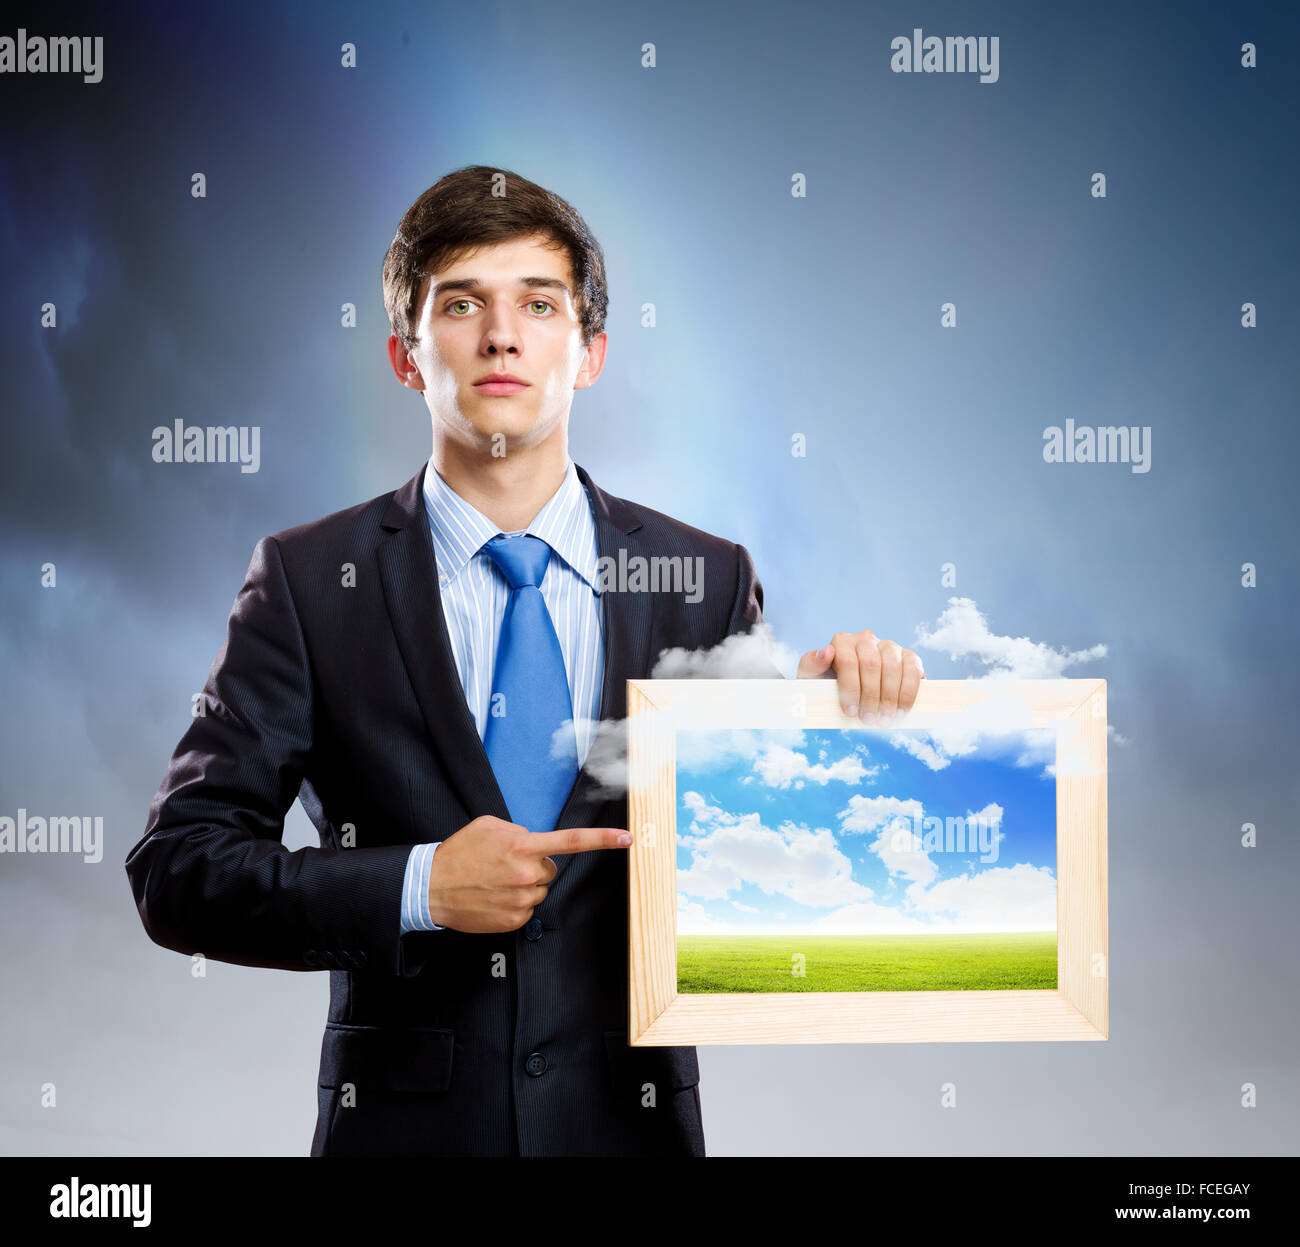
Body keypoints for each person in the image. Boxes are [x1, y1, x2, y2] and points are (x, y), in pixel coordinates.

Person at [125, 166, 925, 1156]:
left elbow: (756, 874)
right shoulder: (305, 579)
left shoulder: (703, 580)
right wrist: (417, 885)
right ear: (405, 356)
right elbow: (178, 867)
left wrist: (835, 722)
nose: (501, 333)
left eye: (537, 304)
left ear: (588, 352)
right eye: (461, 304)